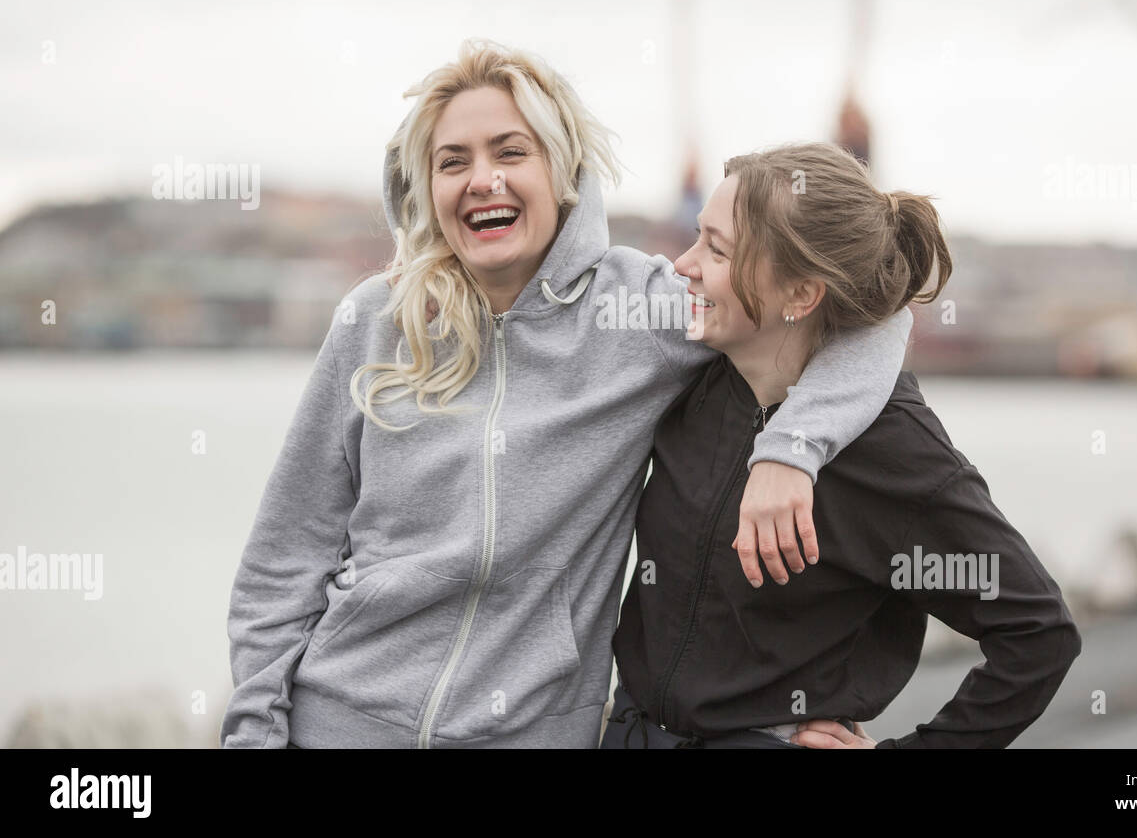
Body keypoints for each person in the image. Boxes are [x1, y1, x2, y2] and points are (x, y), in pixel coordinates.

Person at [219, 40, 914, 748]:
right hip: (337, 724)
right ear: (426, 188)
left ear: (561, 171)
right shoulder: (376, 320)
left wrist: (790, 451)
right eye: (452, 161)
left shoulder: (640, 314)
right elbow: (283, 561)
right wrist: (254, 735)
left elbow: (873, 318)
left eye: (510, 152)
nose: (481, 180)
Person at [604, 142, 1083, 749]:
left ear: (801, 296)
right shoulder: (696, 374)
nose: (682, 265)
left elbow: (1038, 633)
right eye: (697, 237)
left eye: (717, 249)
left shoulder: (895, 449)